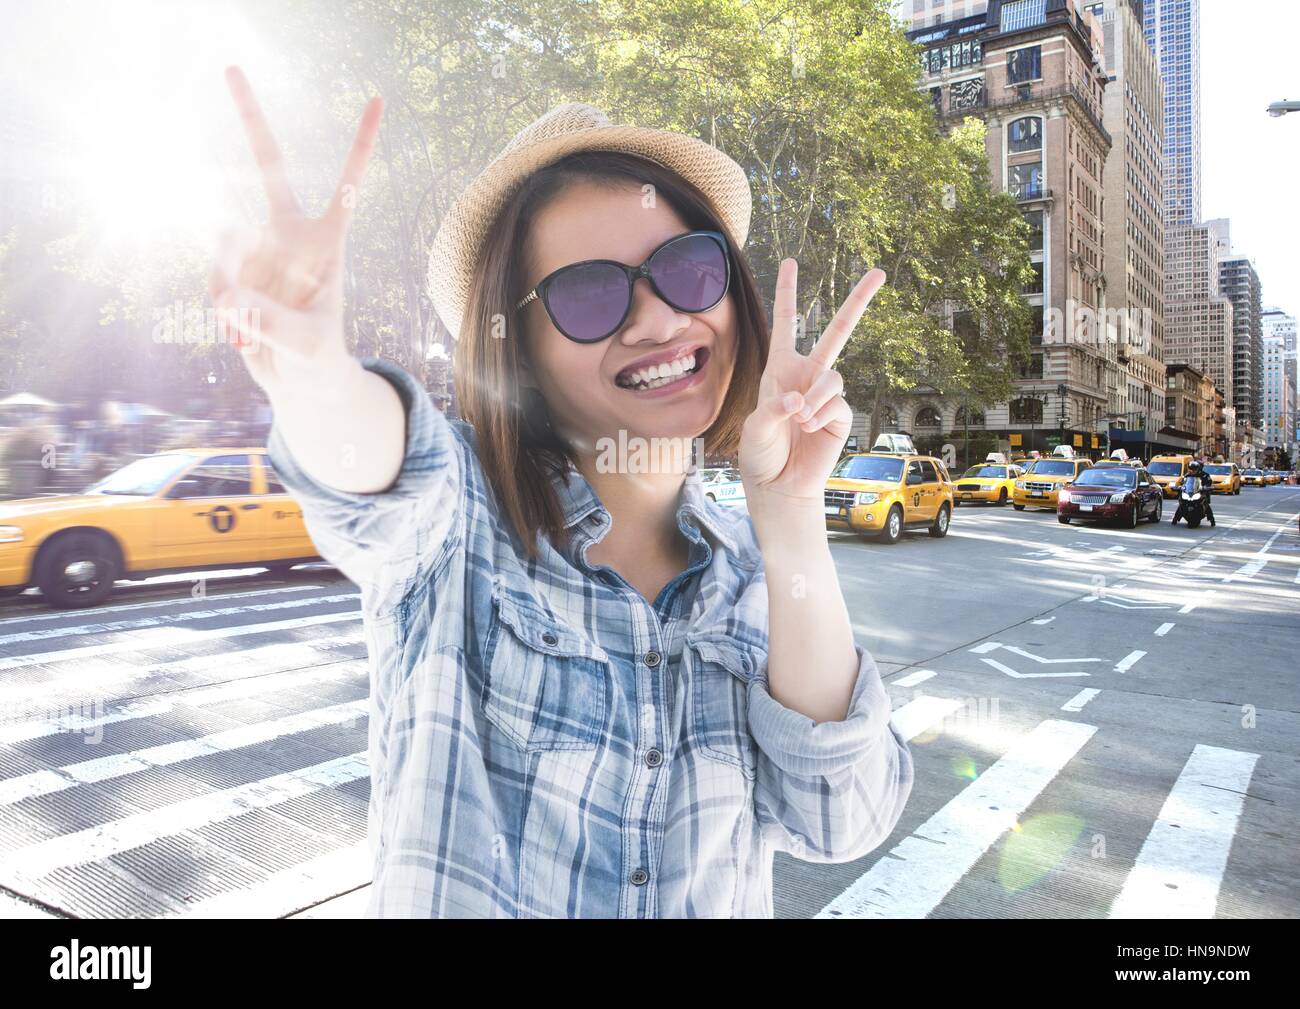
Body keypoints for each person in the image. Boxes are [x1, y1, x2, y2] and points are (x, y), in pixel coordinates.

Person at [210, 67, 913, 918]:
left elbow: (845, 817)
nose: (658, 320)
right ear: (520, 349)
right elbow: (369, 469)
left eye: (688, 269)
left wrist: (791, 515)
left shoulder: (754, 569)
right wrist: (314, 368)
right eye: (589, 293)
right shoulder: (459, 520)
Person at [1171, 458, 1215, 527]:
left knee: (1205, 504)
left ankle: (1212, 519)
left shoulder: (1205, 475)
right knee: (1181, 503)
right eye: (1191, 469)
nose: (1192, 471)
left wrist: (1206, 487)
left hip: (1201, 492)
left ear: (1198, 469)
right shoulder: (1187, 475)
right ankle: (1175, 519)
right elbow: (1182, 483)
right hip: (1189, 493)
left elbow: (1209, 483)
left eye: (1194, 469)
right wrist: (1179, 487)